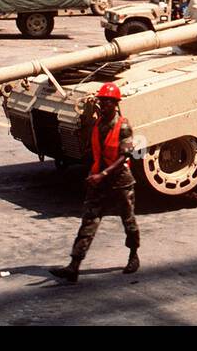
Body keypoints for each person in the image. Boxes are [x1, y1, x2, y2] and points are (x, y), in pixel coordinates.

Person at [51, 83, 141, 282]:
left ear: (115, 104)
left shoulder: (123, 126)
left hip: (120, 180)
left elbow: (124, 157)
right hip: (99, 179)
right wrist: (94, 175)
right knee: (89, 221)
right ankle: (74, 266)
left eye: (108, 101)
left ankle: (133, 255)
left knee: (128, 221)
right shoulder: (98, 122)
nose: (103, 104)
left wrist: (103, 174)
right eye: (102, 101)